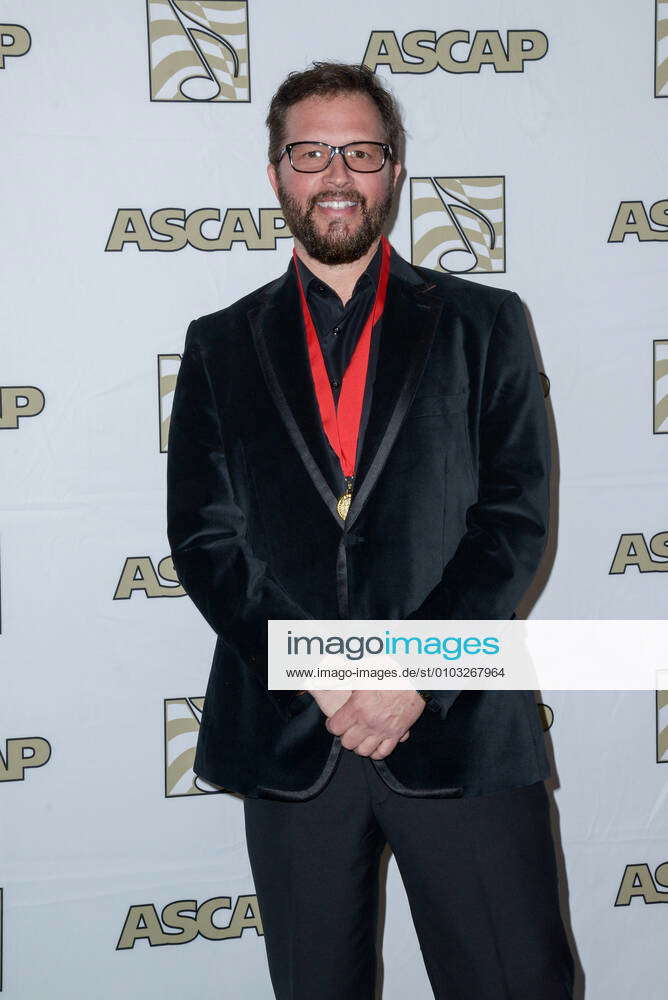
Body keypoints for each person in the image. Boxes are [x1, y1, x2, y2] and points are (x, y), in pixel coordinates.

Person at [167, 62, 574, 999]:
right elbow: (206, 541)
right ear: (275, 174)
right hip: (292, 732)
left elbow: (514, 520)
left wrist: (408, 674)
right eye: (310, 153)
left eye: (361, 151)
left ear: (394, 169)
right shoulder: (219, 343)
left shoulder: (486, 323)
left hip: (460, 730)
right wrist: (327, 670)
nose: (336, 174)